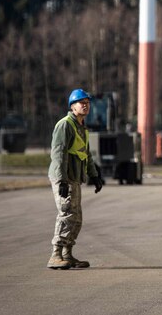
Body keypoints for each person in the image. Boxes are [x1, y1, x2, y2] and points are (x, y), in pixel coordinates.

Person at [46, 88, 104, 270]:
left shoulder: (82, 127)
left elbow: (86, 154)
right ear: (72, 106)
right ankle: (55, 255)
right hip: (64, 178)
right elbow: (58, 154)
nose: (85, 106)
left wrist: (94, 175)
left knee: (76, 218)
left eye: (87, 103)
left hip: (75, 177)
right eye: (81, 103)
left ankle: (67, 254)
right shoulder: (65, 125)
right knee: (67, 214)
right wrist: (62, 180)